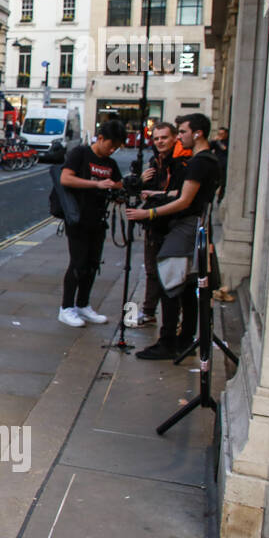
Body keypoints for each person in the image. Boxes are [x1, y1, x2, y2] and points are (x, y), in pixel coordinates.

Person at [126, 114, 221, 360]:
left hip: (186, 227)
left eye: (182, 132)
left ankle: (168, 342)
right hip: (196, 225)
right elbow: (184, 194)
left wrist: (148, 212)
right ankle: (184, 339)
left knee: (170, 280)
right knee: (188, 285)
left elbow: (184, 200)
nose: (180, 137)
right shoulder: (209, 160)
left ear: (197, 133)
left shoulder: (199, 162)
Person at [57, 118, 126, 327]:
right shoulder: (81, 154)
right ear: (101, 138)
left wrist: (119, 190)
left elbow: (117, 185)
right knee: (77, 263)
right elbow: (65, 178)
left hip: (98, 219)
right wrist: (96, 185)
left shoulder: (110, 163)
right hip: (78, 218)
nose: (113, 150)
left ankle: (83, 305)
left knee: (92, 264)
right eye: (111, 145)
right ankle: (66, 308)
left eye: (117, 147)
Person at [132, 122, 184, 329]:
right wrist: (142, 181)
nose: (160, 142)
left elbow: (180, 194)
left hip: (174, 223)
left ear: (174, 138)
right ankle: (148, 312)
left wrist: (153, 194)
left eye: (164, 137)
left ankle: (175, 319)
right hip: (154, 224)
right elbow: (146, 190)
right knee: (152, 270)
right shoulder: (155, 162)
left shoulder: (182, 163)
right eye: (156, 138)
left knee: (173, 272)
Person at [210, 126, 229, 203]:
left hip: (224, 164)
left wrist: (219, 142)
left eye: (222, 134)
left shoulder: (227, 141)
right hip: (217, 163)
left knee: (223, 182)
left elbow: (224, 149)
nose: (220, 135)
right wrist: (213, 141)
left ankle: (220, 198)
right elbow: (209, 147)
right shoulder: (216, 141)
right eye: (219, 134)